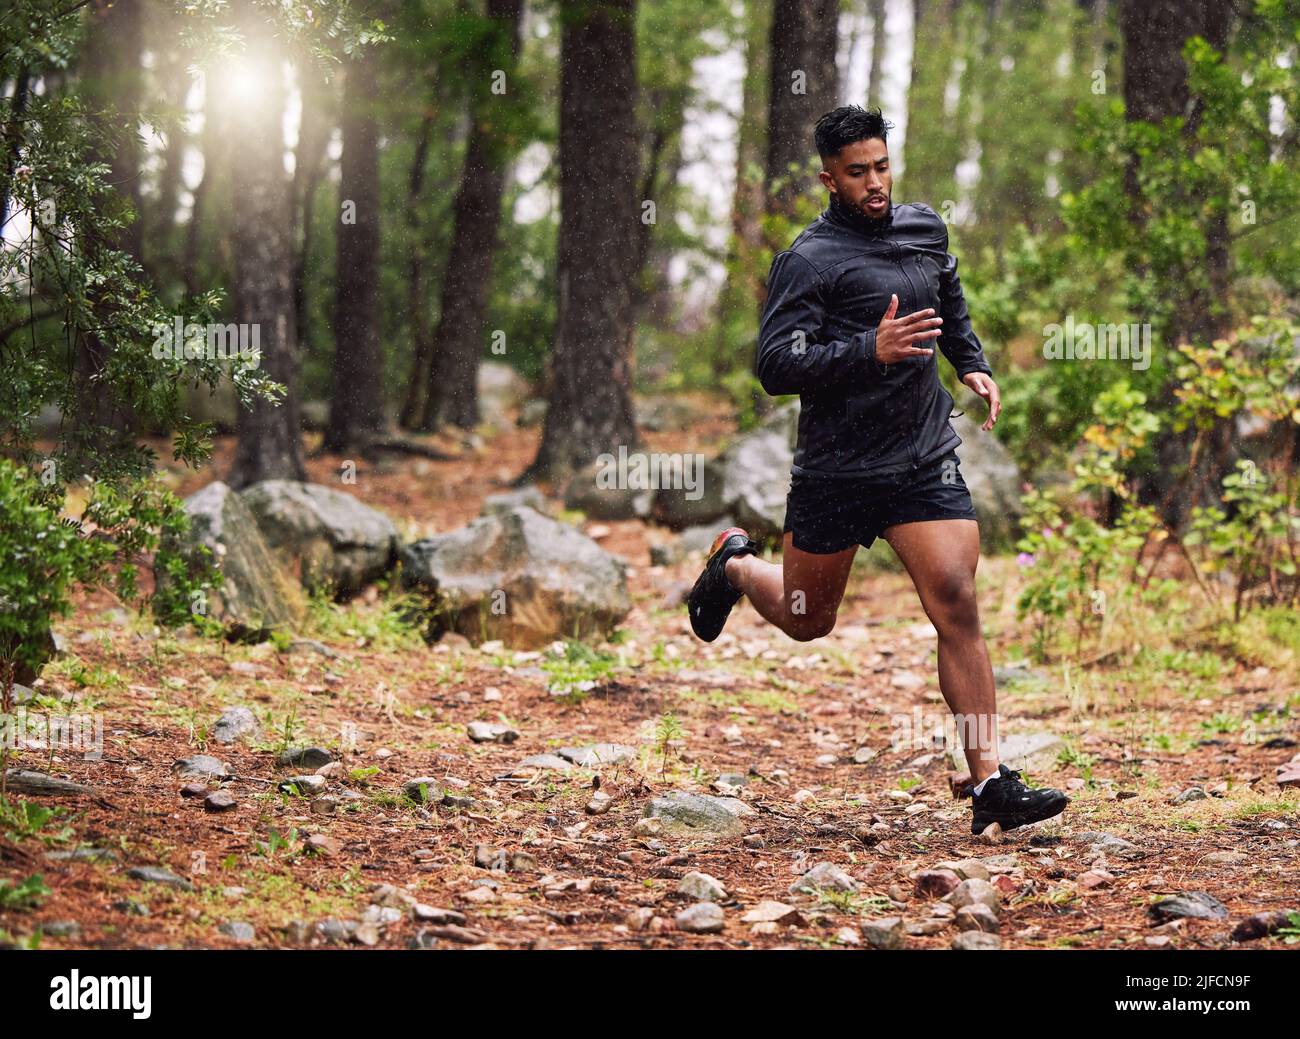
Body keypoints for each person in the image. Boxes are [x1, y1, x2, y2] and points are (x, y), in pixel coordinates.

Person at [687, 105, 1067, 836]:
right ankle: (734, 565)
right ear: (829, 177)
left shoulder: (924, 228)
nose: (874, 183)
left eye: (881, 166)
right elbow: (774, 365)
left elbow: (947, 298)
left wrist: (974, 363)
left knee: (955, 597)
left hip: (921, 457)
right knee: (808, 619)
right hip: (837, 468)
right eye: (857, 172)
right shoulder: (809, 258)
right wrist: (871, 348)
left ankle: (990, 781)